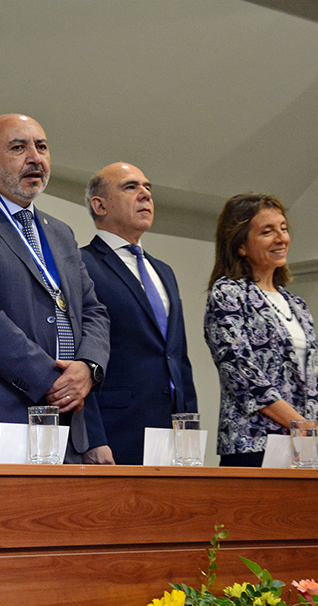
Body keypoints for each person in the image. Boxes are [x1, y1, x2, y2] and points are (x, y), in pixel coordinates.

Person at [0, 114, 113, 464]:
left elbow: (93, 311)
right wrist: (53, 381)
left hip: (68, 424)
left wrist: (87, 368)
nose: (35, 158)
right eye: (18, 148)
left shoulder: (60, 232)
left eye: (41, 147)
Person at [80, 162, 198, 465]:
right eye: (131, 187)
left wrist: (190, 429)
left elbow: (177, 357)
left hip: (173, 430)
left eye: (148, 188)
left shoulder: (164, 271)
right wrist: (93, 437)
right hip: (116, 429)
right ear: (100, 205)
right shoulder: (81, 264)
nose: (145, 194)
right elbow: (79, 356)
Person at [204, 193, 318, 467]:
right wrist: (302, 425)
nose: (281, 238)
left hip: (305, 446)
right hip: (253, 446)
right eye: (267, 231)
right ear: (241, 246)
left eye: (283, 229)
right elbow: (242, 374)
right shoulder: (228, 294)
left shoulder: (296, 304)